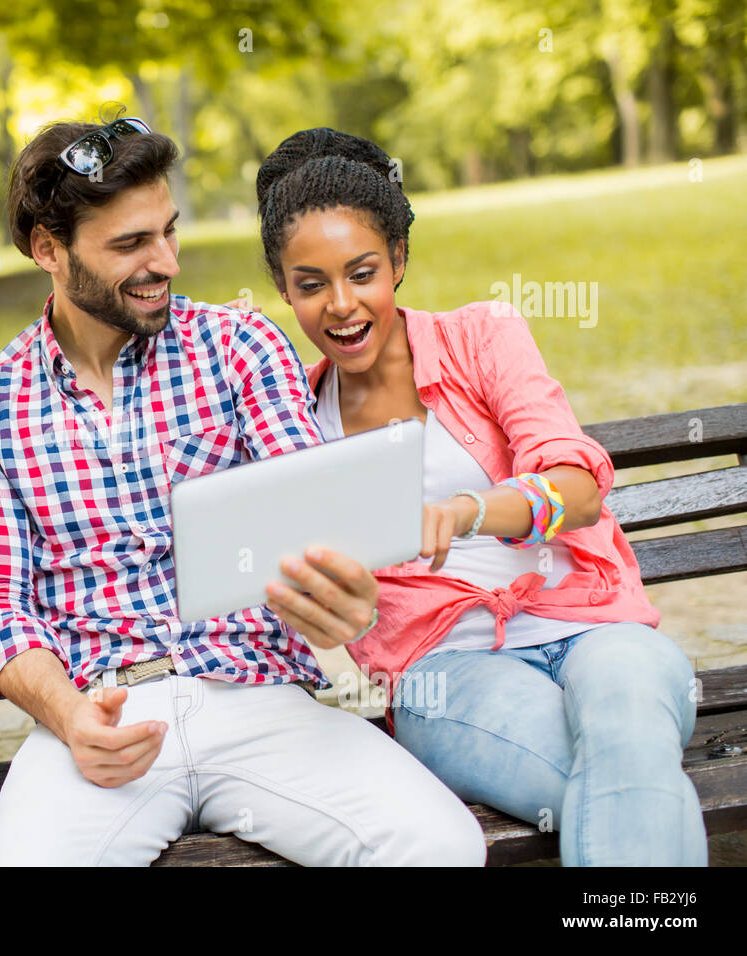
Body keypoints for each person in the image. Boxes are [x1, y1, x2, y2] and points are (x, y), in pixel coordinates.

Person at [0, 116, 488, 866]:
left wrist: (343, 602)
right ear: (47, 250)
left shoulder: (238, 345)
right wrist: (71, 717)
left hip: (258, 697)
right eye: (130, 245)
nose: (164, 261)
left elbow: (314, 522)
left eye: (168, 231)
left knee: (440, 846)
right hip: (99, 712)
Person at [250, 127, 705, 865]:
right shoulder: (294, 422)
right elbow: (324, 612)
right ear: (283, 289)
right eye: (311, 285)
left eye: (362, 272)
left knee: (626, 729)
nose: (341, 305)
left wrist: (468, 512)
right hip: (445, 672)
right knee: (632, 776)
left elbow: (578, 490)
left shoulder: (481, 336)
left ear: (398, 260)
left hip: (591, 622)